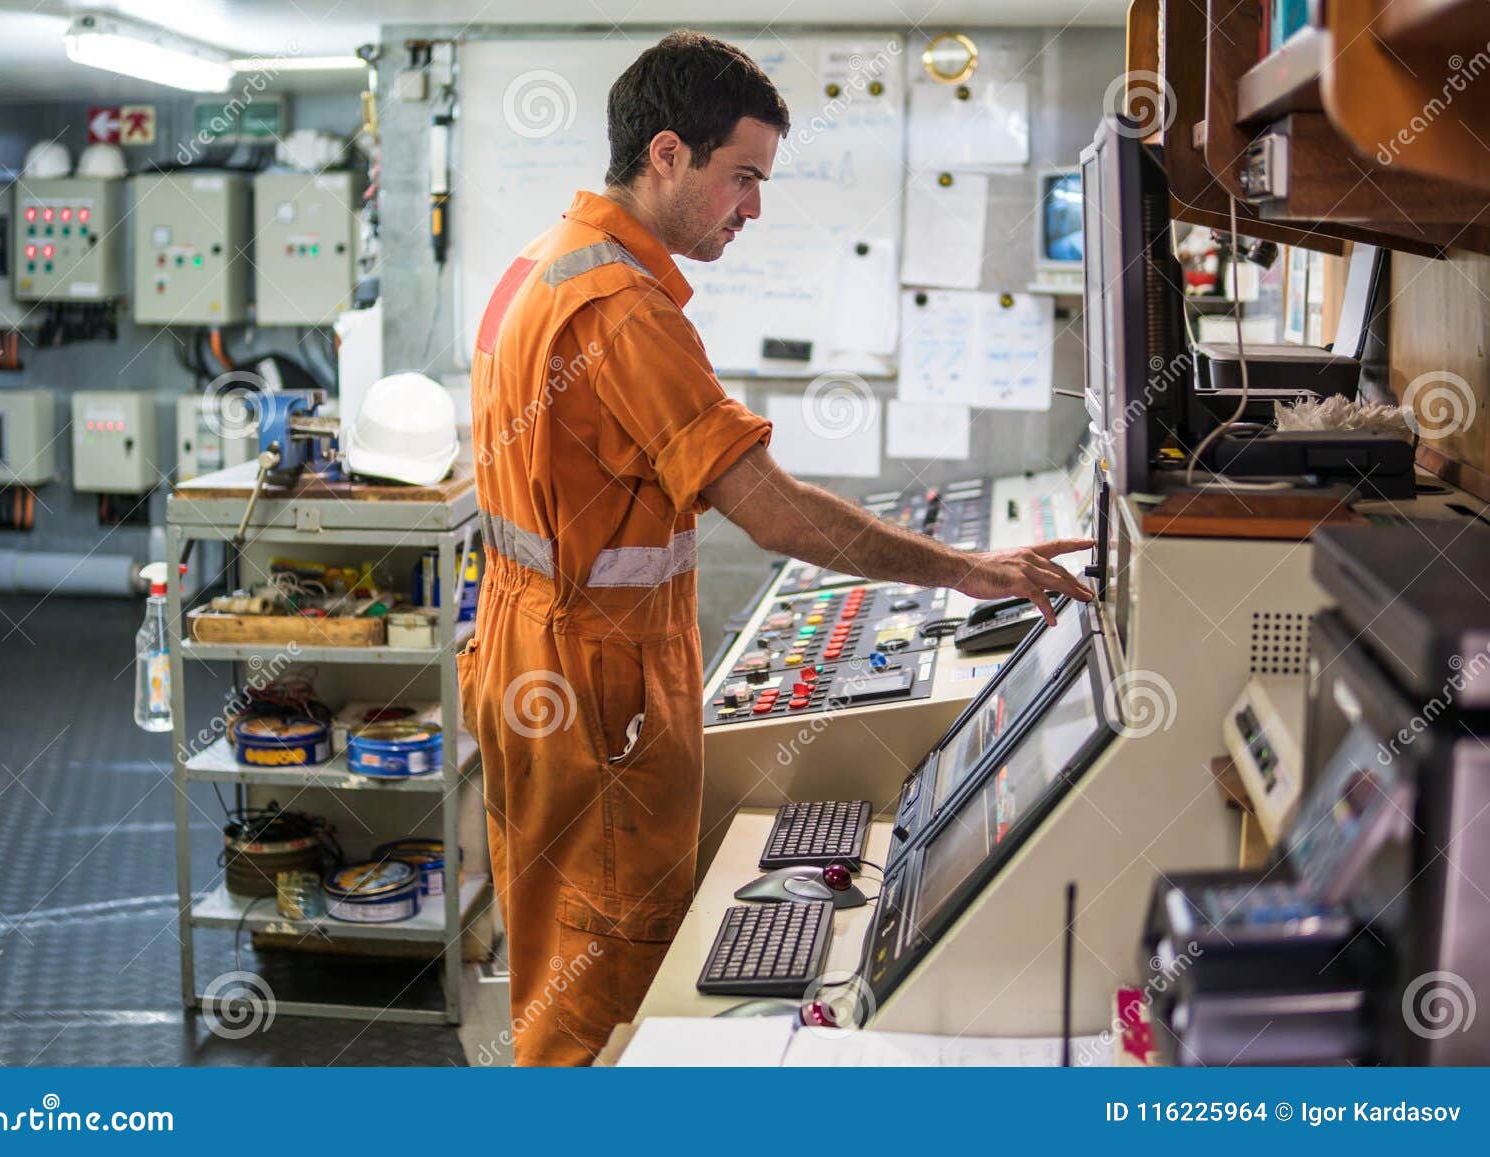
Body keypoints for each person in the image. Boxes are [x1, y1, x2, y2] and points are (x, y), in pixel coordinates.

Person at [460, 30, 1092, 1066]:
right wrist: (970, 571)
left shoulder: (540, 265)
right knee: (602, 981)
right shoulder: (621, 310)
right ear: (667, 154)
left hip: (533, 654)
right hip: (597, 682)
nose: (753, 207)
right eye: (742, 177)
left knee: (556, 946)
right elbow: (772, 513)